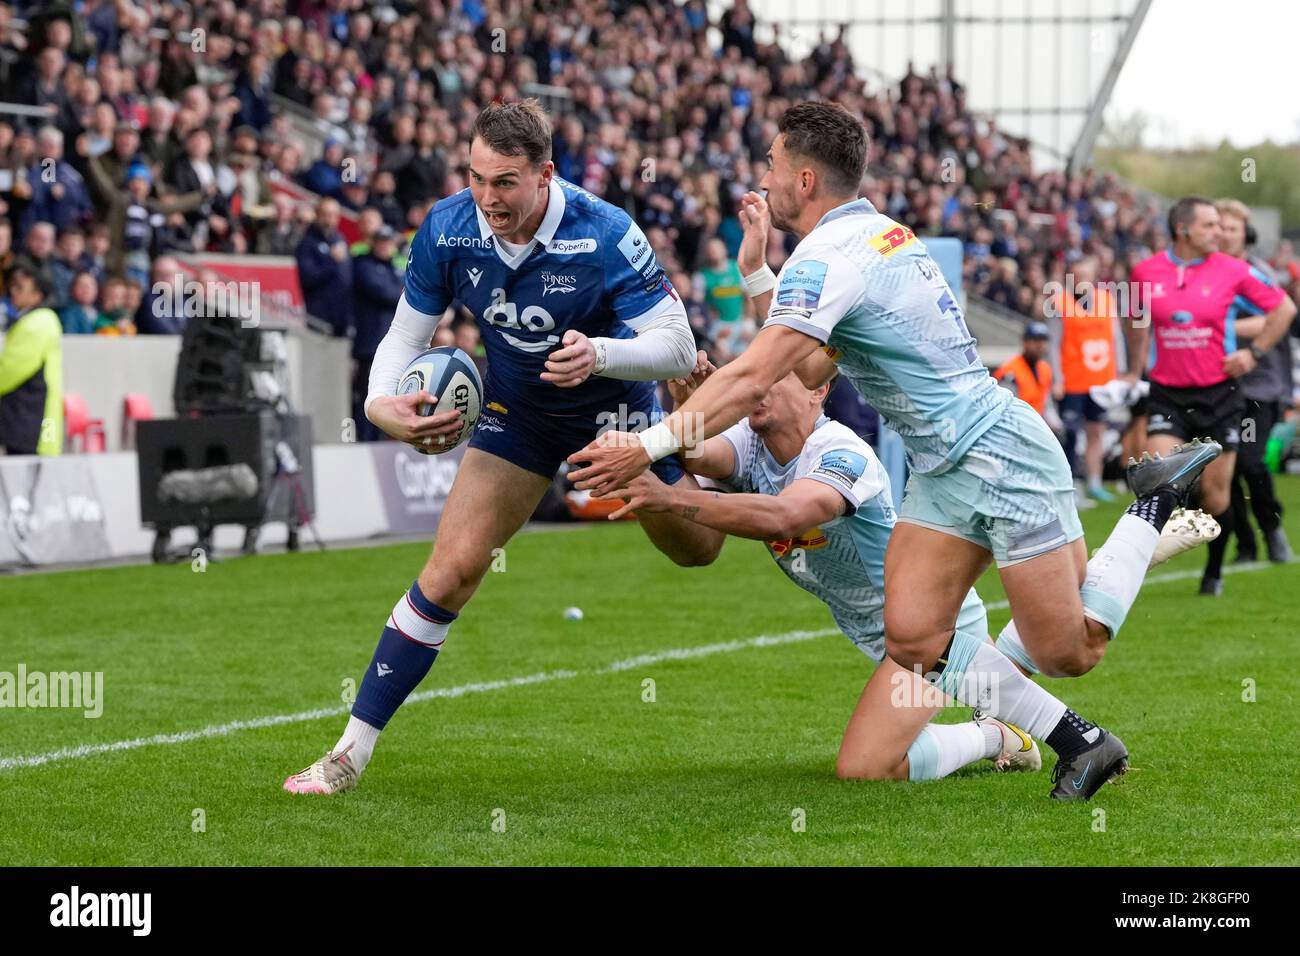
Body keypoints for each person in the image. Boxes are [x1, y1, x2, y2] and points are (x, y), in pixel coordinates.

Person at [569, 102, 1223, 800]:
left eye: (772, 164)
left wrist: (648, 446)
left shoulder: (829, 255)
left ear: (807, 177)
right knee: (913, 637)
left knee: (1071, 648)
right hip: (944, 466)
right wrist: (758, 273)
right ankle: (1079, 743)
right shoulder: (877, 237)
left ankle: (1151, 504)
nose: (765, 176)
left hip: (995, 453)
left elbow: (761, 373)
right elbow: (810, 367)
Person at [284, 100, 716, 796]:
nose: (489, 197)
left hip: (616, 414)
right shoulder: (449, 228)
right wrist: (378, 404)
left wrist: (600, 352)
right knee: (451, 570)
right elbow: (404, 336)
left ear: (546, 174)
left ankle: (704, 458)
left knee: (695, 551)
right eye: (478, 178)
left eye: (506, 182)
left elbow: (679, 345)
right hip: (516, 416)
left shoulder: (605, 233)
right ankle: (348, 755)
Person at [1129, 197, 1297, 596]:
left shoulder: (1235, 270)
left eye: (1222, 227)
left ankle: (1214, 570)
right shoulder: (1145, 271)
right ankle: (1131, 565)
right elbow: (1138, 321)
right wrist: (1135, 370)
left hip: (1221, 396)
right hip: (1167, 394)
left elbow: (1284, 308)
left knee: (1215, 494)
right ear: (1183, 230)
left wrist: (1252, 354)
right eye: (1210, 226)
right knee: (1158, 479)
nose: (1219, 233)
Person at [1214, 199, 1294, 565]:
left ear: (1245, 233)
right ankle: (1244, 544)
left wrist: (1219, 328)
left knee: (1250, 462)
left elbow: (1275, 318)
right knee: (1221, 469)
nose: (1226, 234)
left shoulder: (1257, 272)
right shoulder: (1205, 274)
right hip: (1217, 384)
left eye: (1233, 228)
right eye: (1221, 228)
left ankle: (1272, 531)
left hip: (1259, 384)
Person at [1048, 256, 1119, 502]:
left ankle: (1095, 481)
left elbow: (1115, 339)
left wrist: (1116, 375)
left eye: (1085, 276)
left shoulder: (1106, 301)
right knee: (1070, 433)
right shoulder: (1060, 303)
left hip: (1100, 379)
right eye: (1076, 276)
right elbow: (1054, 344)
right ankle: (1070, 485)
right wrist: (1057, 379)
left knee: (1096, 432)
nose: (1081, 280)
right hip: (1072, 379)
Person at [0, 261, 63, 455]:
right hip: (26, 419)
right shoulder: (38, 319)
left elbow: (9, 370)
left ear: (37, 295)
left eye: (20, 288)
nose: (13, 291)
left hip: (28, 420)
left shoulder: (37, 322)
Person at [994, 321, 1053, 418]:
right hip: (1017, 423)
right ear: (1025, 342)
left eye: (1043, 341)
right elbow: (1006, 410)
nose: (1040, 345)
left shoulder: (1045, 369)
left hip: (1037, 423)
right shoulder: (1010, 370)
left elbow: (1047, 406)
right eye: (1036, 340)